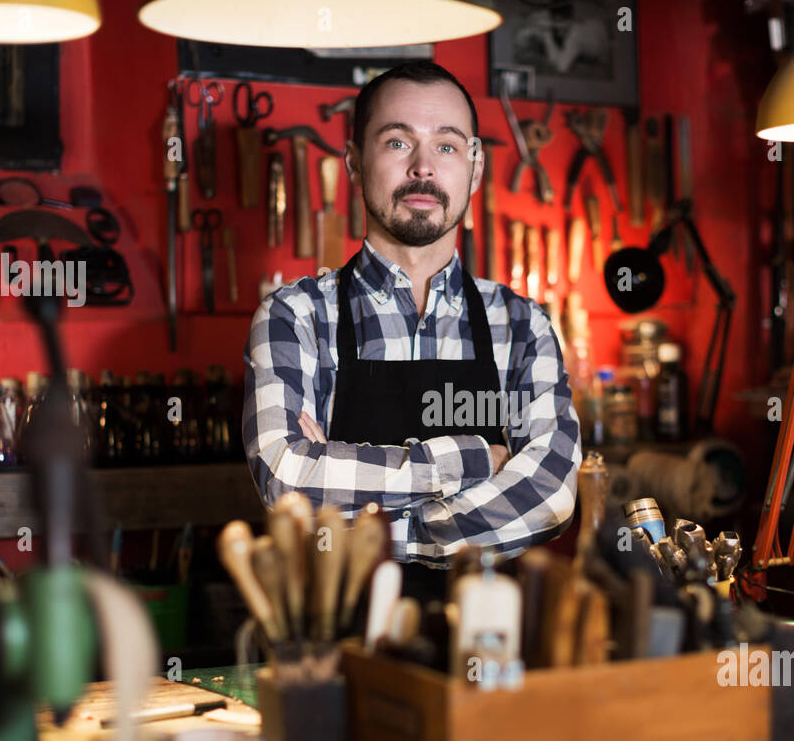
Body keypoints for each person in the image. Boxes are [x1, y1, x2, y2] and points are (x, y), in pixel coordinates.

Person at [243, 61, 581, 605]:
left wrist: (378, 531)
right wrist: (475, 461)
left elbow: (548, 494)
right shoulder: (295, 316)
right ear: (354, 163)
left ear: (474, 168)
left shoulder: (522, 324)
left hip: (488, 658)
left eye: (447, 147)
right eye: (398, 142)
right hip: (338, 661)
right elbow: (289, 482)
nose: (424, 168)